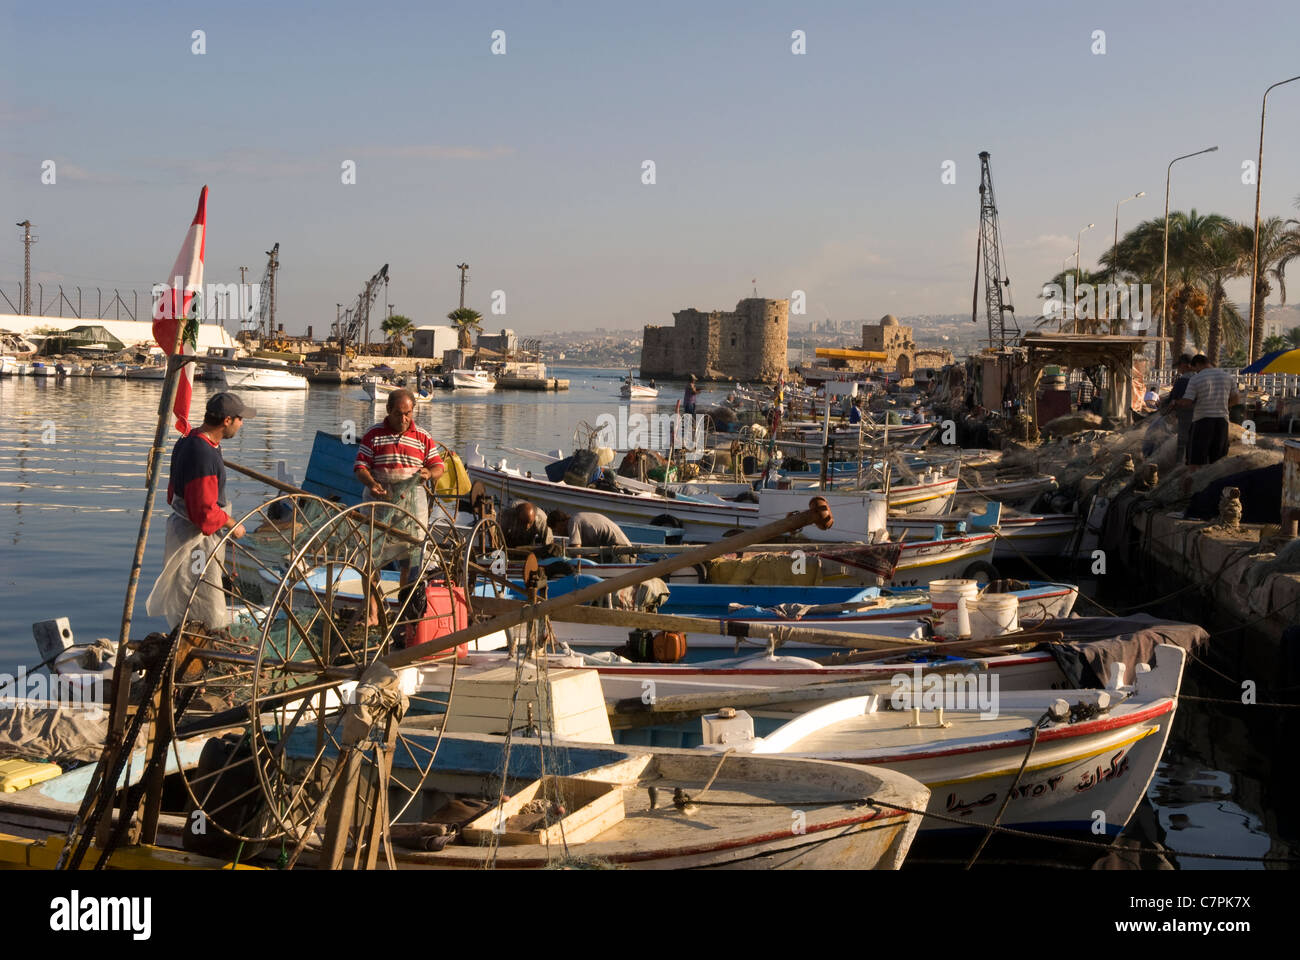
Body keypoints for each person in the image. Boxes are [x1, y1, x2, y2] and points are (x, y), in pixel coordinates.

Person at [146, 392, 253, 629]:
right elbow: (203, 515)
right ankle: (201, 642)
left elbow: (173, 493)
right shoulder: (203, 454)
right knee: (201, 591)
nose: (242, 423)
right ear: (227, 420)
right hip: (196, 540)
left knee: (188, 590)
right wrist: (231, 524)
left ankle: (188, 637)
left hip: (182, 531)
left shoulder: (188, 440)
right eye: (240, 419)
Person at [353, 388, 445, 580]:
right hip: (378, 502)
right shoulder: (374, 434)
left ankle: (405, 603)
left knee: (411, 558)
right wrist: (371, 483)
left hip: (412, 506)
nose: (403, 419)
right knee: (370, 557)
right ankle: (373, 610)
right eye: (398, 414)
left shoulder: (423, 437)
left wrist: (429, 473)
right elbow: (360, 467)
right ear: (388, 410)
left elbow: (438, 467)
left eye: (407, 414)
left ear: (413, 411)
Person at [1178, 355, 1239, 471]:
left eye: (1195, 368)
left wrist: (1177, 402)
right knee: (1218, 461)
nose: (1195, 371)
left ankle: (1194, 485)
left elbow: (1187, 401)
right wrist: (1222, 406)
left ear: (1197, 365)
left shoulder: (1196, 379)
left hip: (1202, 421)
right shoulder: (1227, 376)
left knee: (1195, 460)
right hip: (1222, 422)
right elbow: (1236, 399)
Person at [546, 510, 631, 548]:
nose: (556, 534)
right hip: (624, 551)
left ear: (560, 523)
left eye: (555, 530)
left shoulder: (573, 522)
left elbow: (576, 552)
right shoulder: (578, 520)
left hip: (621, 553)